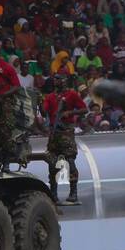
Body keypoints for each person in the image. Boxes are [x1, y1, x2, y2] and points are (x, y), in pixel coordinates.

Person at [36, 74, 85, 204]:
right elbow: (43, 111)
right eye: (55, 79)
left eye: (60, 78)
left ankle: (73, 192)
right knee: (53, 164)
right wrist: (39, 102)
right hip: (54, 132)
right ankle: (54, 195)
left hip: (66, 131)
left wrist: (70, 113)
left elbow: (84, 109)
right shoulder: (50, 97)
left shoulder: (71, 94)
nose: (57, 81)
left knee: (70, 161)